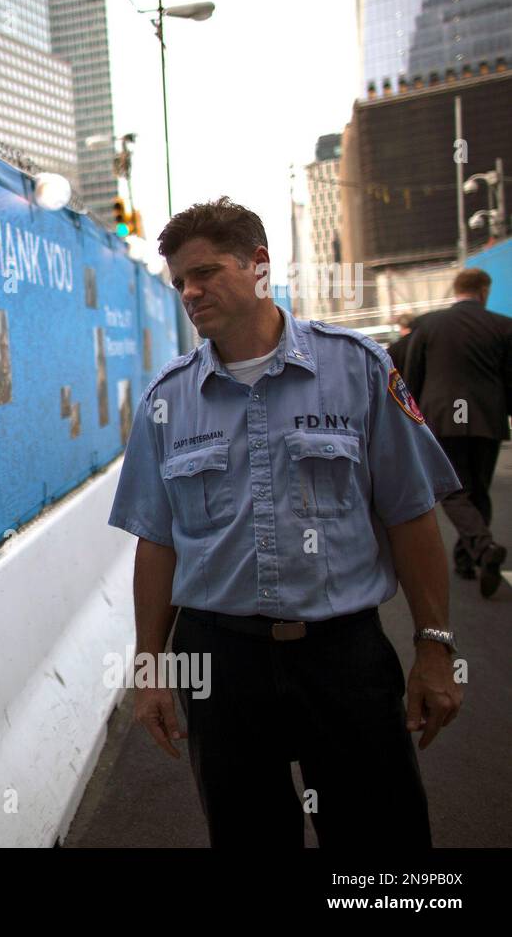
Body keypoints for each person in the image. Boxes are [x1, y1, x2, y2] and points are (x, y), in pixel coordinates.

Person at [107, 197, 464, 848]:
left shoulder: (357, 369)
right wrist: (150, 667)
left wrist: (434, 645)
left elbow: (412, 513)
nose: (191, 291)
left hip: (345, 657)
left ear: (259, 265)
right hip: (221, 661)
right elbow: (156, 541)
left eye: (206, 272)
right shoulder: (167, 400)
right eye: (180, 280)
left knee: (380, 844)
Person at [402, 268, 512, 598]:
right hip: (486, 419)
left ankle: (479, 548)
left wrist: (413, 421)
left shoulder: (428, 325)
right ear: (484, 290)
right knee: (478, 488)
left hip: (442, 418)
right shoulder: (503, 327)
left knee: (452, 491)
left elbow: (411, 376)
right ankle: (471, 556)